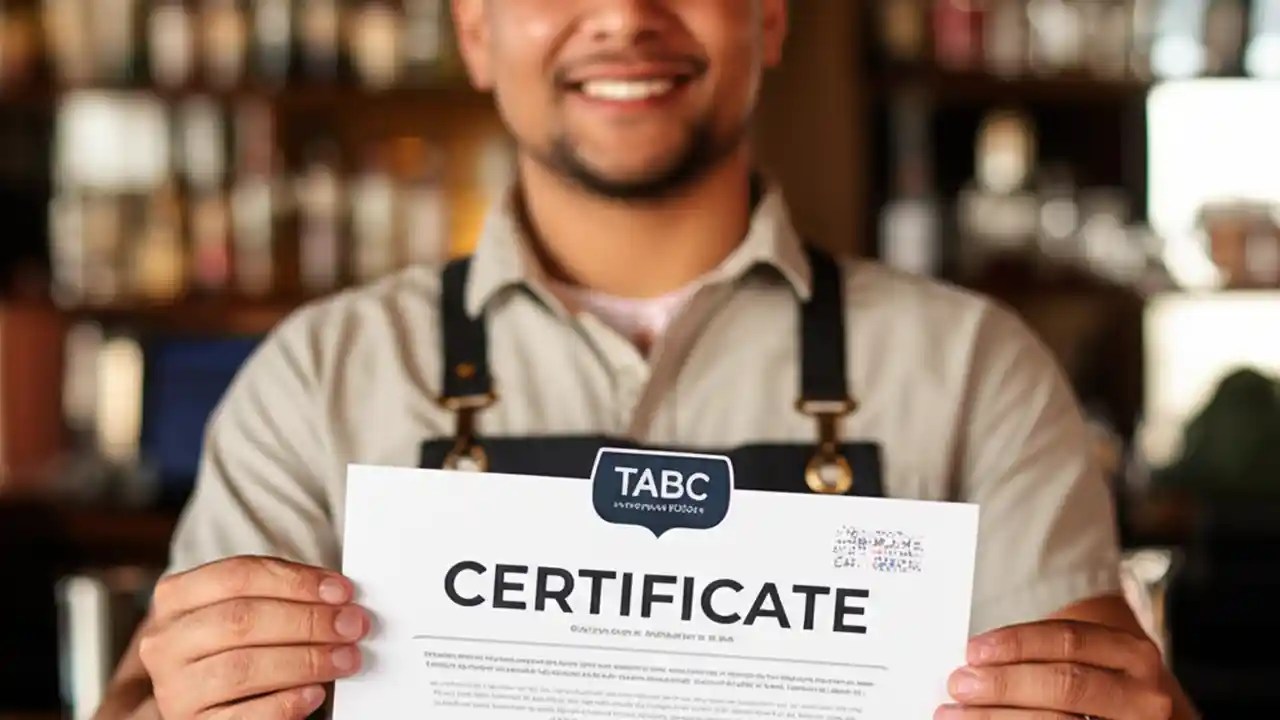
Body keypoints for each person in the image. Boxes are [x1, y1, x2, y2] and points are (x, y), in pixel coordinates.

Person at [96, 1, 1197, 718]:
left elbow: (1087, 686)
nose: (625, 17)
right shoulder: (316, 375)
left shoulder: (974, 370)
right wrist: (197, 693)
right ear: (474, 31)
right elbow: (151, 703)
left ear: (770, 19)